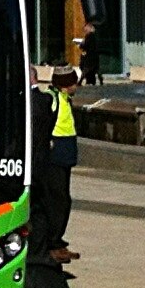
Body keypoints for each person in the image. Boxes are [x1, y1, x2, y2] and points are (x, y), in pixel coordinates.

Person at [44, 65, 81, 262]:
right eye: (74, 82)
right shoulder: (52, 98)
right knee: (57, 200)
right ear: (66, 84)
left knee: (63, 200)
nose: (77, 86)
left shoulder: (65, 99)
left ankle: (57, 242)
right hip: (55, 156)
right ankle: (53, 243)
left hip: (64, 155)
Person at [27, 67, 57, 259]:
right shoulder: (45, 100)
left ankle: (37, 248)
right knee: (41, 205)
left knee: (36, 207)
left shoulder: (31, 101)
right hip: (42, 160)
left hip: (32, 161)